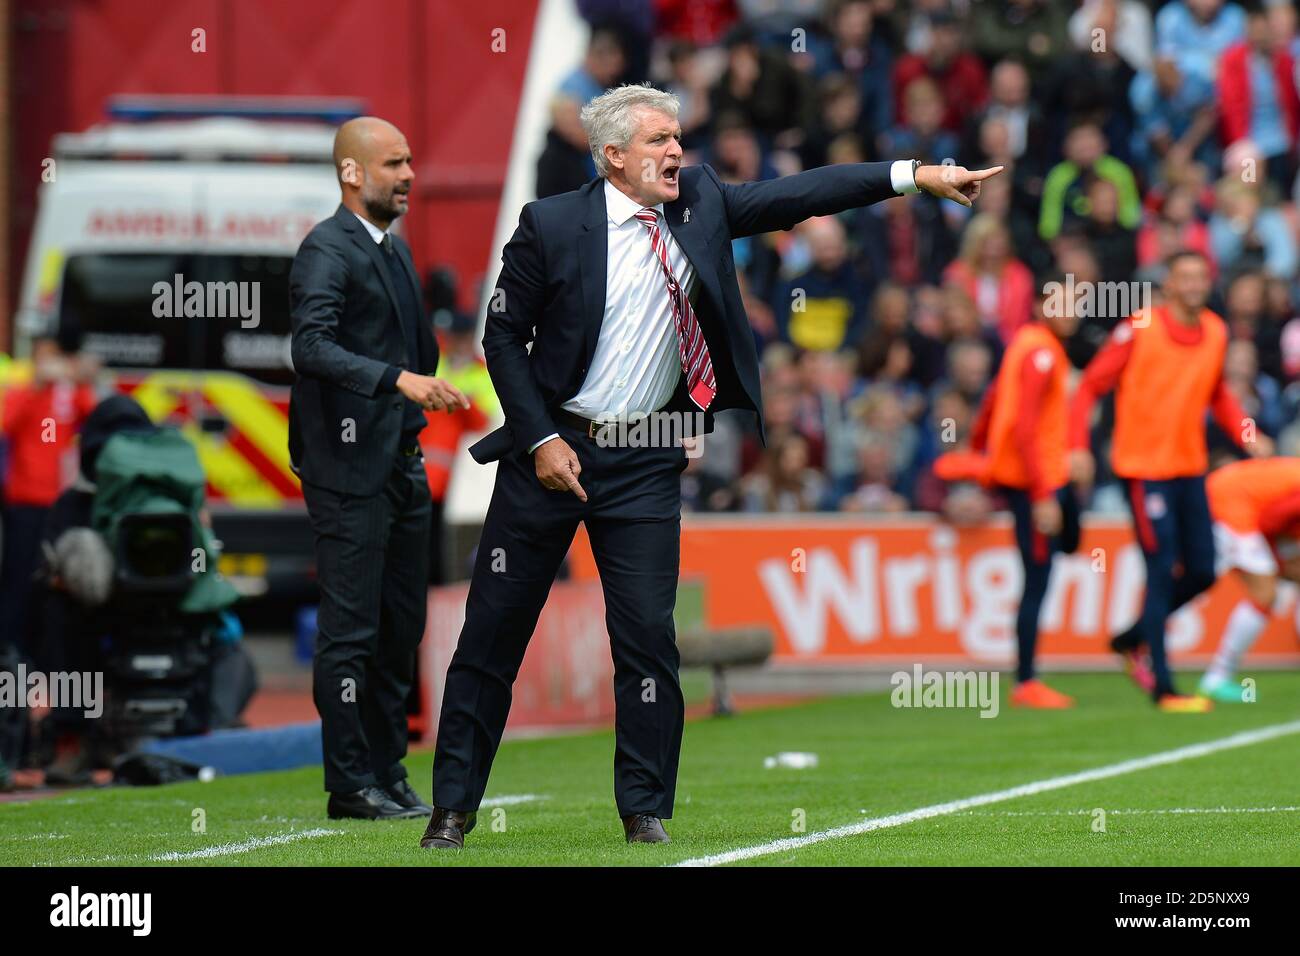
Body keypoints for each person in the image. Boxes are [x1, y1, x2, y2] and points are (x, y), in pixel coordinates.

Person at [422, 82, 1001, 850]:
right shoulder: (550, 224)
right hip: (551, 451)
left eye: (677, 138)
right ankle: (452, 810)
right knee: (493, 634)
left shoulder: (699, 200)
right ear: (613, 156)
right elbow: (501, 339)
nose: (676, 152)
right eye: (659, 141)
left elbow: (802, 195)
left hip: (645, 457)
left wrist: (915, 176)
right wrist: (538, 440)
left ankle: (644, 811)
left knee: (647, 640)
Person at [288, 116, 469, 821]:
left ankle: (389, 772)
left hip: (400, 463)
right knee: (350, 632)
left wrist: (423, 372)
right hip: (347, 469)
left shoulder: (393, 249)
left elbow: (416, 351)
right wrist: (398, 379)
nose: (409, 175)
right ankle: (349, 783)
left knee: (400, 629)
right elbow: (311, 347)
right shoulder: (325, 249)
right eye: (394, 163)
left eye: (410, 161)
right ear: (352, 173)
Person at [1069, 250, 1274, 712]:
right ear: (1169, 285)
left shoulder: (1216, 331)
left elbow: (1218, 394)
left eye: (1201, 276)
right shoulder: (1140, 327)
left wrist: (1248, 433)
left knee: (1202, 569)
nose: (1195, 284)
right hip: (1144, 470)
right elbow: (1090, 386)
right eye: (1185, 277)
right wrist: (1079, 447)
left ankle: (1132, 637)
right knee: (1161, 569)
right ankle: (1164, 687)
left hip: (1189, 468)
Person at [968, 284, 1082, 707]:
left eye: (1074, 304)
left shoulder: (1028, 344)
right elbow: (1026, 427)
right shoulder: (1041, 353)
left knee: (1061, 550)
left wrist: (979, 446)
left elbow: (995, 398)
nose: (1069, 312)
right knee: (1037, 578)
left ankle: (1027, 678)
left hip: (1047, 475)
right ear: (1039, 306)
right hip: (1037, 481)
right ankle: (1026, 681)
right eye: (1060, 304)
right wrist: (1041, 495)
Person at [1199, 456, 1300, 701]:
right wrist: (1279, 564)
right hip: (1228, 505)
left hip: (1233, 497)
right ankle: (1216, 678)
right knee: (1265, 594)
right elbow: (1270, 522)